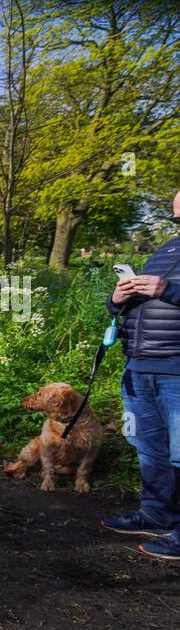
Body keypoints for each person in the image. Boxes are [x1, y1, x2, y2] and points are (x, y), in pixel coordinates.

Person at [100, 189, 180, 560]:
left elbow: (169, 294)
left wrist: (170, 289)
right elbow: (127, 305)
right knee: (150, 449)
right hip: (141, 365)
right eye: (176, 215)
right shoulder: (165, 250)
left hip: (176, 370)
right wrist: (118, 298)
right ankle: (156, 513)